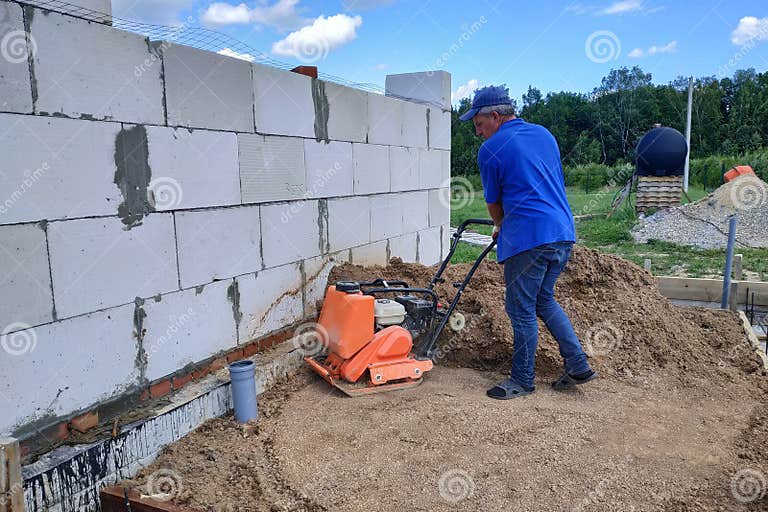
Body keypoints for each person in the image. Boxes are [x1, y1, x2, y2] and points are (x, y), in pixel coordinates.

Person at [458, 85, 597, 400]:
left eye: (479, 124)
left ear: (495, 116)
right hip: (562, 232)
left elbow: (494, 202)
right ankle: (577, 364)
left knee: (520, 309)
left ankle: (522, 379)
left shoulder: (491, 149)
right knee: (543, 300)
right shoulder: (544, 135)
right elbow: (544, 183)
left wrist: (501, 225)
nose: (477, 132)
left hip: (530, 238)